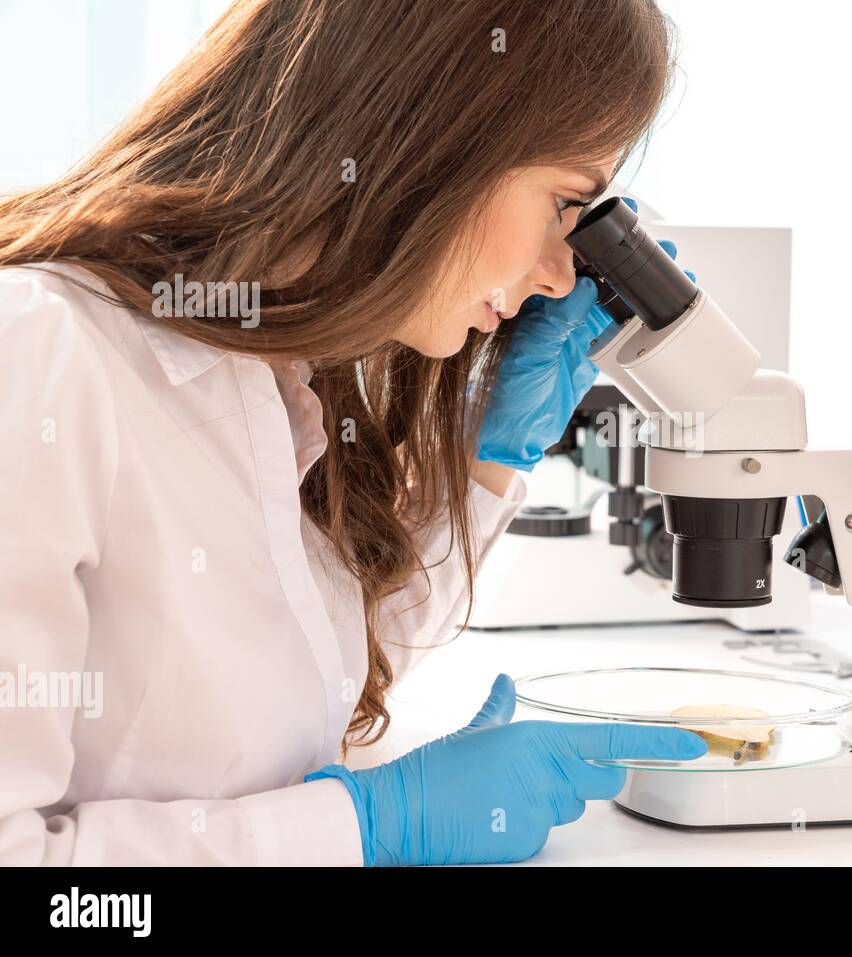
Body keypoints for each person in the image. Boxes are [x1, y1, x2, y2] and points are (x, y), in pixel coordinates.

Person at [0, 0, 706, 867]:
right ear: (435, 135)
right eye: (567, 203)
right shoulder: (36, 354)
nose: (565, 271)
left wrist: (485, 455)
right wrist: (370, 828)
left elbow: (296, 680)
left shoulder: (268, 373)